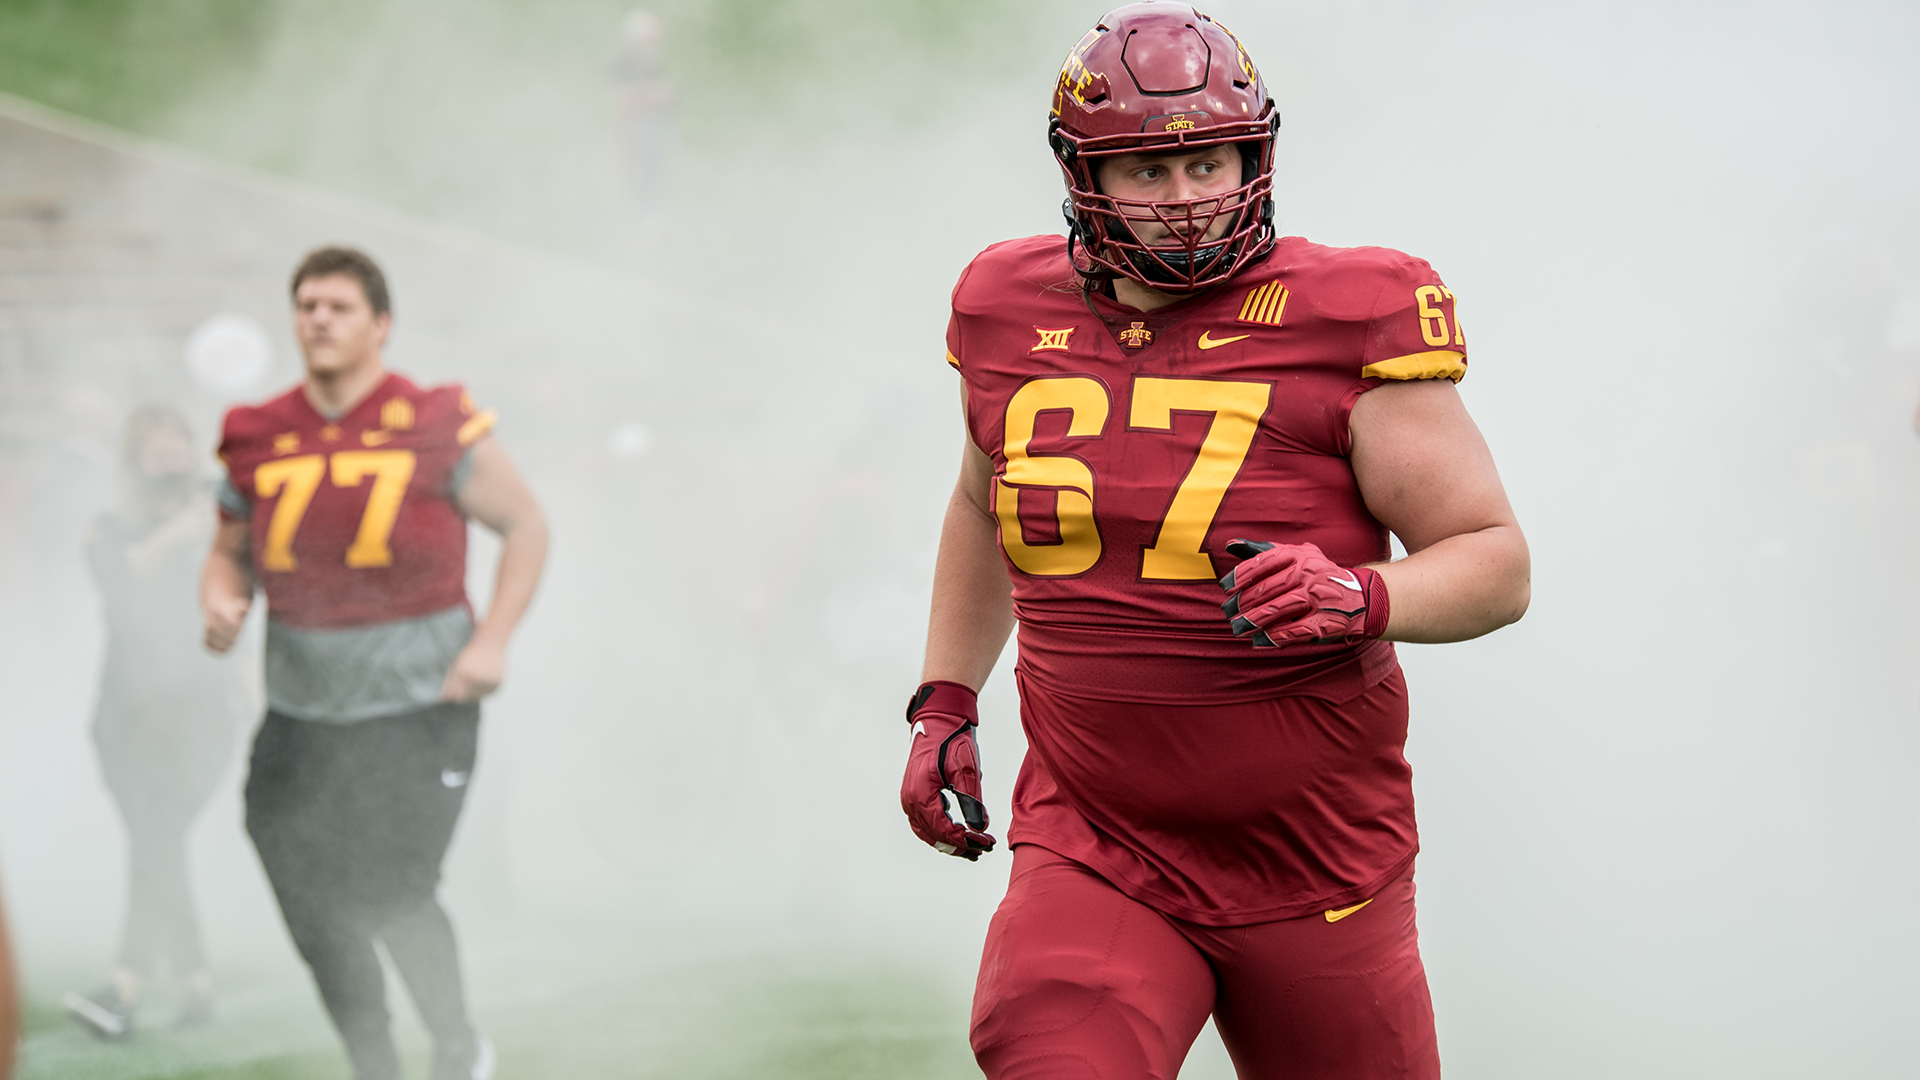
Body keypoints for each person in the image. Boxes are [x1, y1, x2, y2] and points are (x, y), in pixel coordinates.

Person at [899, 5, 1531, 1078]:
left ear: (1256, 152)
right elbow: (980, 501)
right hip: (1096, 843)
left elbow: (1494, 561)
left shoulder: (1352, 309)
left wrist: (1361, 595)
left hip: (1317, 861)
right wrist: (946, 699)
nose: (1187, 198)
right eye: (1148, 169)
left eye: (1210, 161)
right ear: (1085, 177)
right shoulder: (1004, 304)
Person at [203, 247, 548, 1080]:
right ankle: (372, 1056)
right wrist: (219, 596)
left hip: (418, 708)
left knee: (393, 889)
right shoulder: (255, 430)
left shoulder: (434, 419)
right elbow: (227, 550)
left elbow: (528, 526)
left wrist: (492, 637)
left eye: (339, 306)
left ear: (380, 325)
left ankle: (457, 1045)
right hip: (300, 713)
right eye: (306, 304)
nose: (317, 318)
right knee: (306, 888)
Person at [63, 405, 248, 1040]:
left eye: (178, 442)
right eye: (155, 445)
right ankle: (195, 983)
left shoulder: (222, 515)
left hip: (199, 711)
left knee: (157, 838)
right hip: (125, 715)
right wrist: (174, 533)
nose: (169, 454)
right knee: (156, 842)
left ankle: (123, 985)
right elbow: (120, 584)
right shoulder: (107, 528)